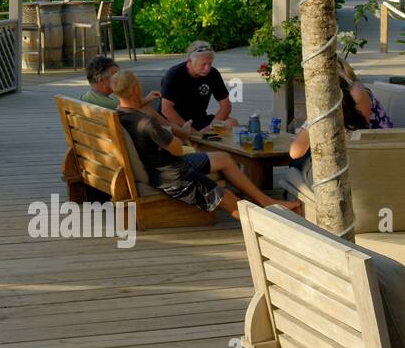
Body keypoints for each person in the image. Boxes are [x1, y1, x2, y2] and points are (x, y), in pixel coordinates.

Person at [112, 70, 300, 220]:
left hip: (163, 168)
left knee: (223, 158)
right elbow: (177, 149)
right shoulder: (147, 124)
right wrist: (174, 134)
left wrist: (145, 103)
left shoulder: (119, 115)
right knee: (231, 203)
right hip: (176, 177)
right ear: (136, 89)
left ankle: (264, 200)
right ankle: (265, 223)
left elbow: (132, 108)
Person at [287, 60, 392, 174]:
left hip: (366, 158)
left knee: (297, 162)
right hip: (361, 156)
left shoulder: (356, 93)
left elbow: (295, 152)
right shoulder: (354, 92)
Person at [160, 40, 237, 132]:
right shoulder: (175, 74)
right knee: (172, 130)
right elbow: (166, 109)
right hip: (176, 121)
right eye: (203, 64)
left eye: (210, 63)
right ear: (190, 61)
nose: (207, 68)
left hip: (200, 120)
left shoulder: (213, 74)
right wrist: (191, 131)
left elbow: (226, 106)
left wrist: (211, 127)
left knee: (232, 123)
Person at [81, 55, 162, 112]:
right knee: (146, 109)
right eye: (115, 76)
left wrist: (148, 98)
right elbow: (131, 106)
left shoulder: (86, 98)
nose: (120, 78)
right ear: (100, 79)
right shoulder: (110, 105)